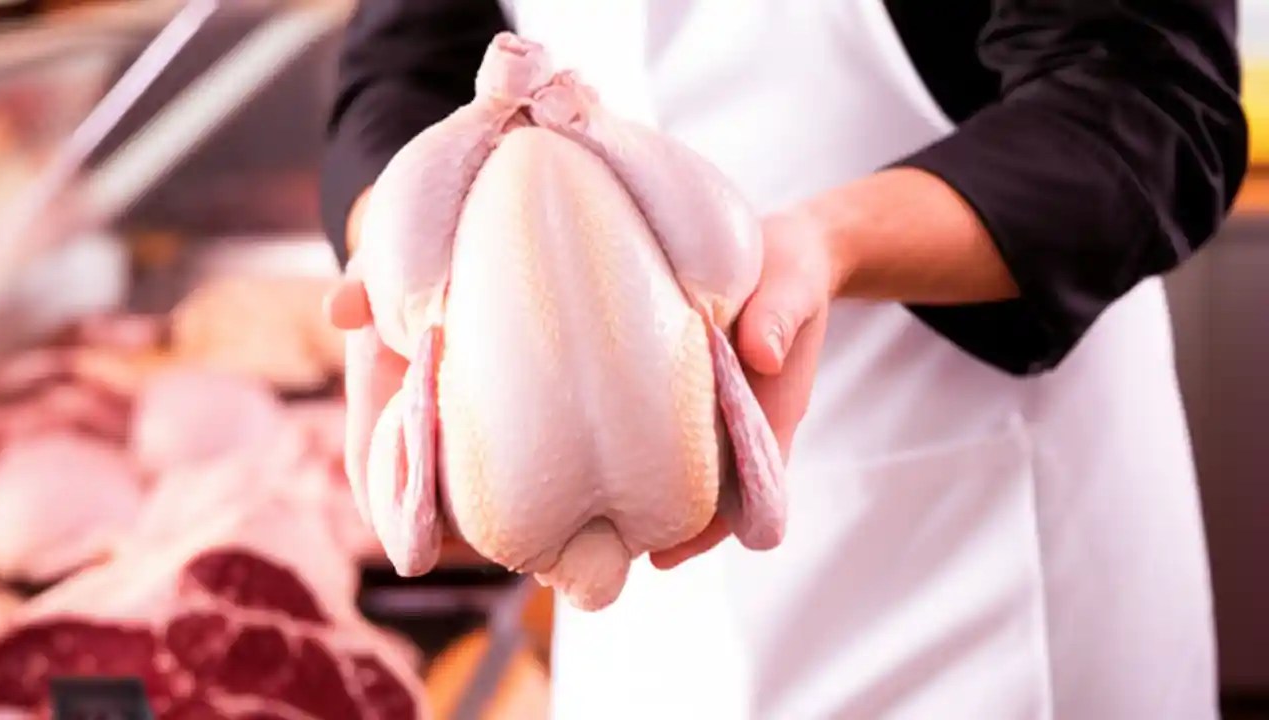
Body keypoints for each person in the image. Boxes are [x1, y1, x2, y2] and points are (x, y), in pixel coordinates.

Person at [319, 2, 1248, 718]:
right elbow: (406, 63)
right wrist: (400, 254)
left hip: (990, 561)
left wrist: (826, 245)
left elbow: (1147, 101)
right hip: (640, 611)